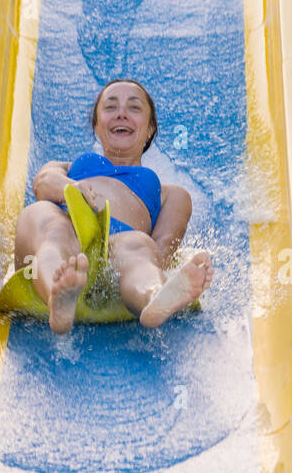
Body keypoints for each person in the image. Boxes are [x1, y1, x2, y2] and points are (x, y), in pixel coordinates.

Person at [12, 78, 213, 334]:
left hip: (115, 263)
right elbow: (42, 183)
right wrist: (71, 188)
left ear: (150, 128)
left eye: (134, 108)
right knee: (44, 218)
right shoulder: (66, 169)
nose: (121, 114)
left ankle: (153, 297)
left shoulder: (172, 195)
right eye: (110, 107)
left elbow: (162, 252)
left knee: (138, 246)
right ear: (96, 126)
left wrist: (152, 266)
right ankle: (58, 297)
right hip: (65, 239)